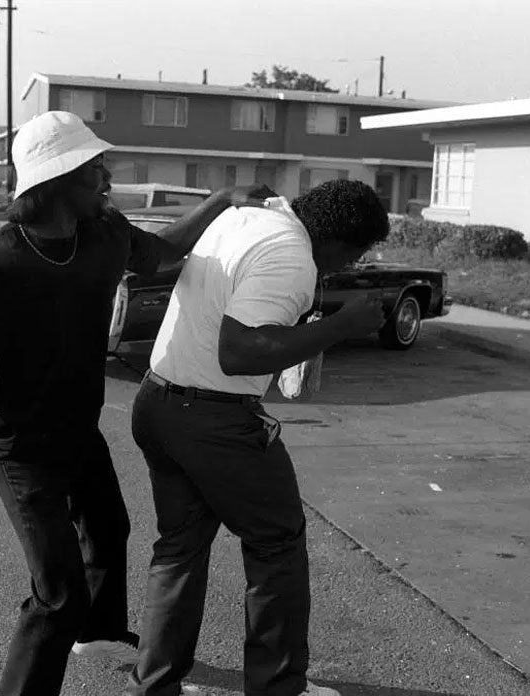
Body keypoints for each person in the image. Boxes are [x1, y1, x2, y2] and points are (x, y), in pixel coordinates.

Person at [0, 110, 271, 696]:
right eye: (97, 173)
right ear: (59, 182)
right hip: (18, 443)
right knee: (58, 592)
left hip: (77, 427)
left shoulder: (105, 235)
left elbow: (163, 251)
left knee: (108, 526)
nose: (108, 182)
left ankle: (97, 634)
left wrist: (221, 200)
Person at [125, 180, 391, 696]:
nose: (349, 266)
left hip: (157, 401)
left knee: (180, 548)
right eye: (355, 254)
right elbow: (240, 352)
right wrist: (342, 325)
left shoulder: (243, 218)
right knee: (277, 544)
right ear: (337, 238)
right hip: (214, 420)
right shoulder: (294, 257)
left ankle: (153, 684)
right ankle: (276, 687)